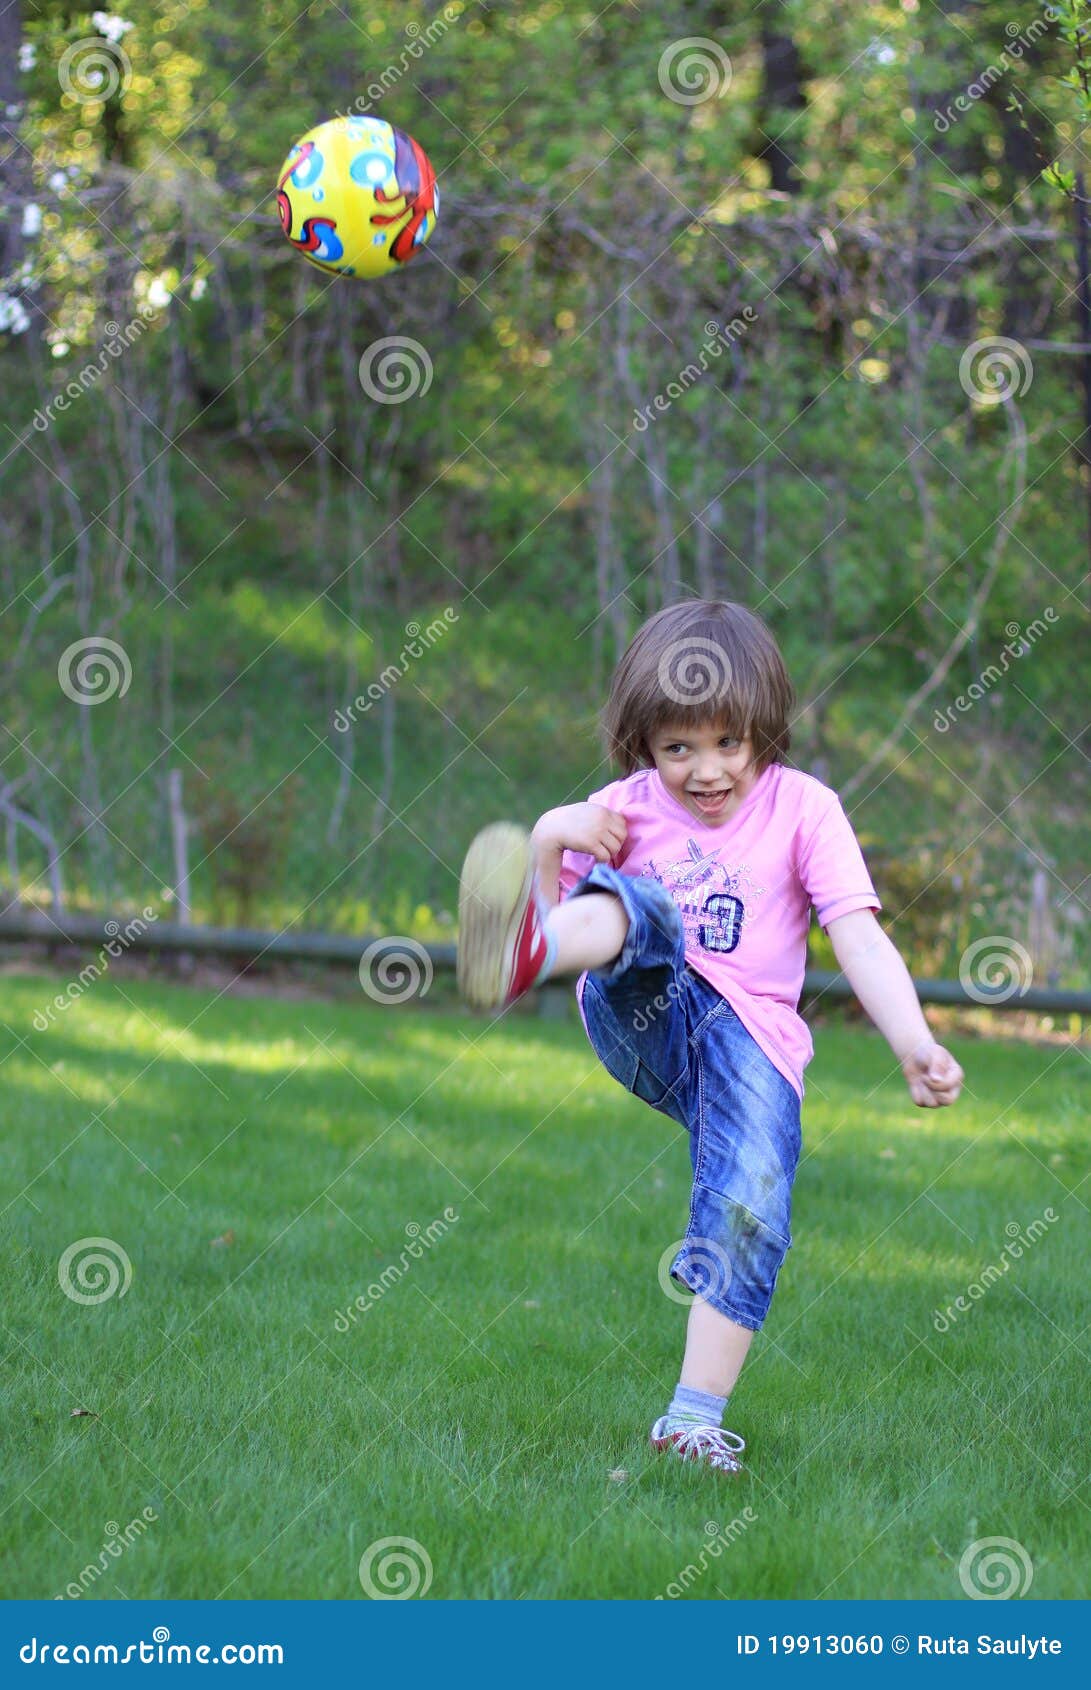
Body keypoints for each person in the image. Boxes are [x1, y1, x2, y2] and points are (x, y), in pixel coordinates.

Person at [455, 599, 964, 1476]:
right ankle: (517, 960)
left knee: (751, 1202)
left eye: (728, 742)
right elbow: (573, 914)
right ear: (642, 744)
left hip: (751, 1045)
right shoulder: (618, 810)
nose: (705, 770)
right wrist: (546, 843)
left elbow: (856, 935)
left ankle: (690, 1423)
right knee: (640, 911)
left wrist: (912, 1042)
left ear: (764, 728)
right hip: (642, 1011)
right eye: (676, 748)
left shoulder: (805, 810)